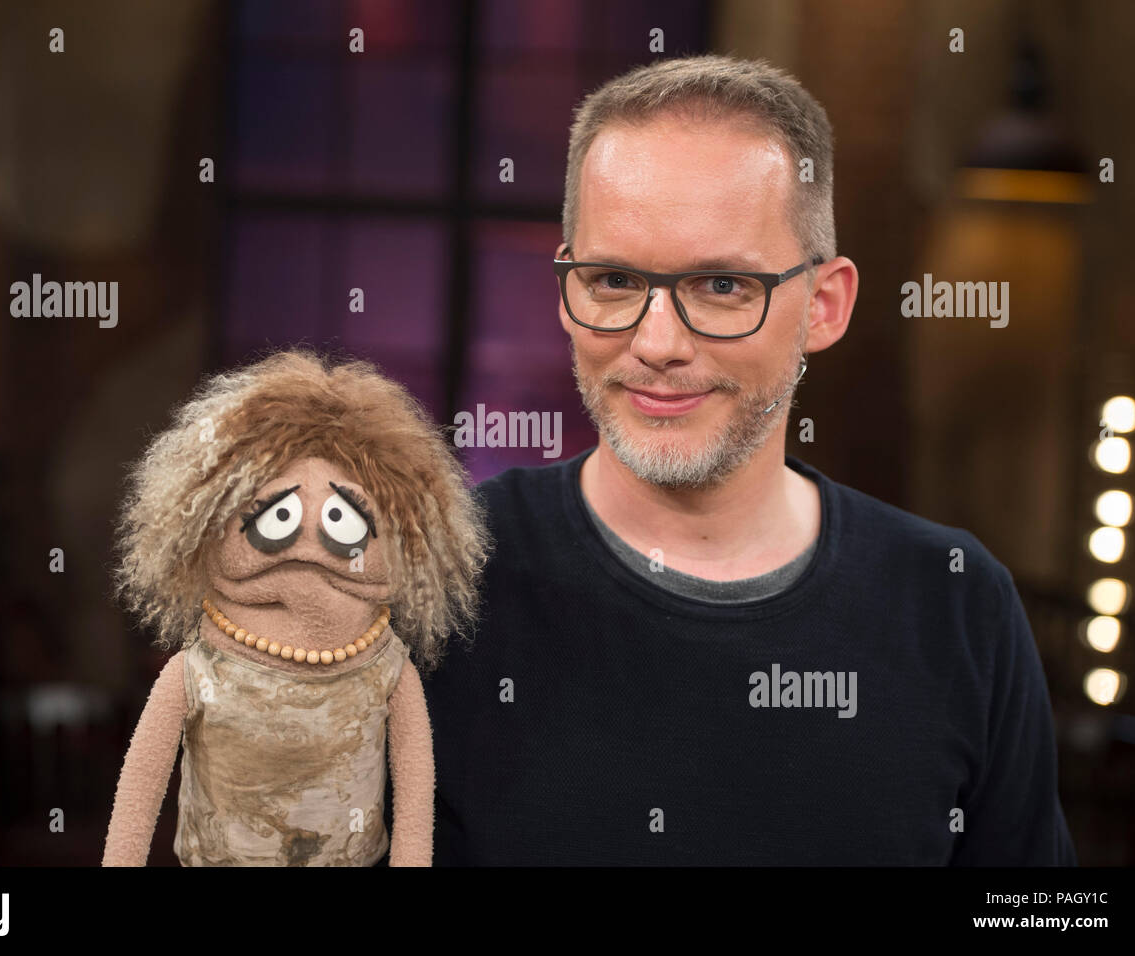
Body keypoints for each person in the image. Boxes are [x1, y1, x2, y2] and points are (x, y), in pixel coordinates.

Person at [420, 54, 1076, 865]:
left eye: (723, 286)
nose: (656, 344)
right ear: (566, 290)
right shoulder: (434, 575)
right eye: (615, 279)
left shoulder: (955, 604)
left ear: (824, 306)